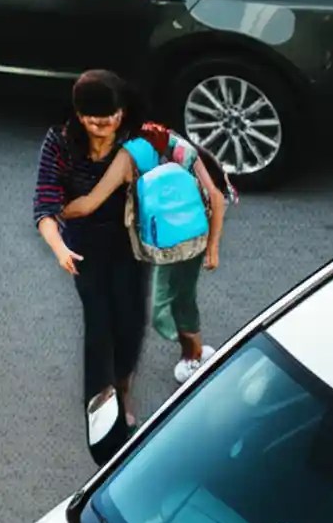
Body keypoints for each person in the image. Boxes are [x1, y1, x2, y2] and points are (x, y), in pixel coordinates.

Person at [61, 120, 228, 384]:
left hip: (184, 238)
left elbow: (91, 202)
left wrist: (49, 214)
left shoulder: (136, 151)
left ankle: (194, 355)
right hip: (182, 232)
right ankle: (193, 350)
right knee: (177, 299)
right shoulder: (164, 142)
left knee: (167, 306)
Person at [34, 70, 149, 452]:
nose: (101, 126)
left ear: (123, 111)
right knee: (98, 325)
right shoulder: (59, 142)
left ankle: (124, 388)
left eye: (109, 117)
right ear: (77, 114)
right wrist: (60, 250)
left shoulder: (138, 140)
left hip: (131, 242)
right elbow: (45, 206)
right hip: (83, 246)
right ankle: (101, 406)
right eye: (91, 118)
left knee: (130, 322)